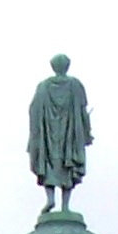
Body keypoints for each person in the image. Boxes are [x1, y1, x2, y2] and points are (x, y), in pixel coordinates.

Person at [28, 55, 92, 212]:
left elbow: (33, 110)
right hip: (69, 136)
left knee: (48, 163)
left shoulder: (43, 87)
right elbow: (82, 109)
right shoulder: (75, 85)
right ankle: (65, 206)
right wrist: (86, 131)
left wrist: (36, 134)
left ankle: (50, 199)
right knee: (67, 166)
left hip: (48, 136)